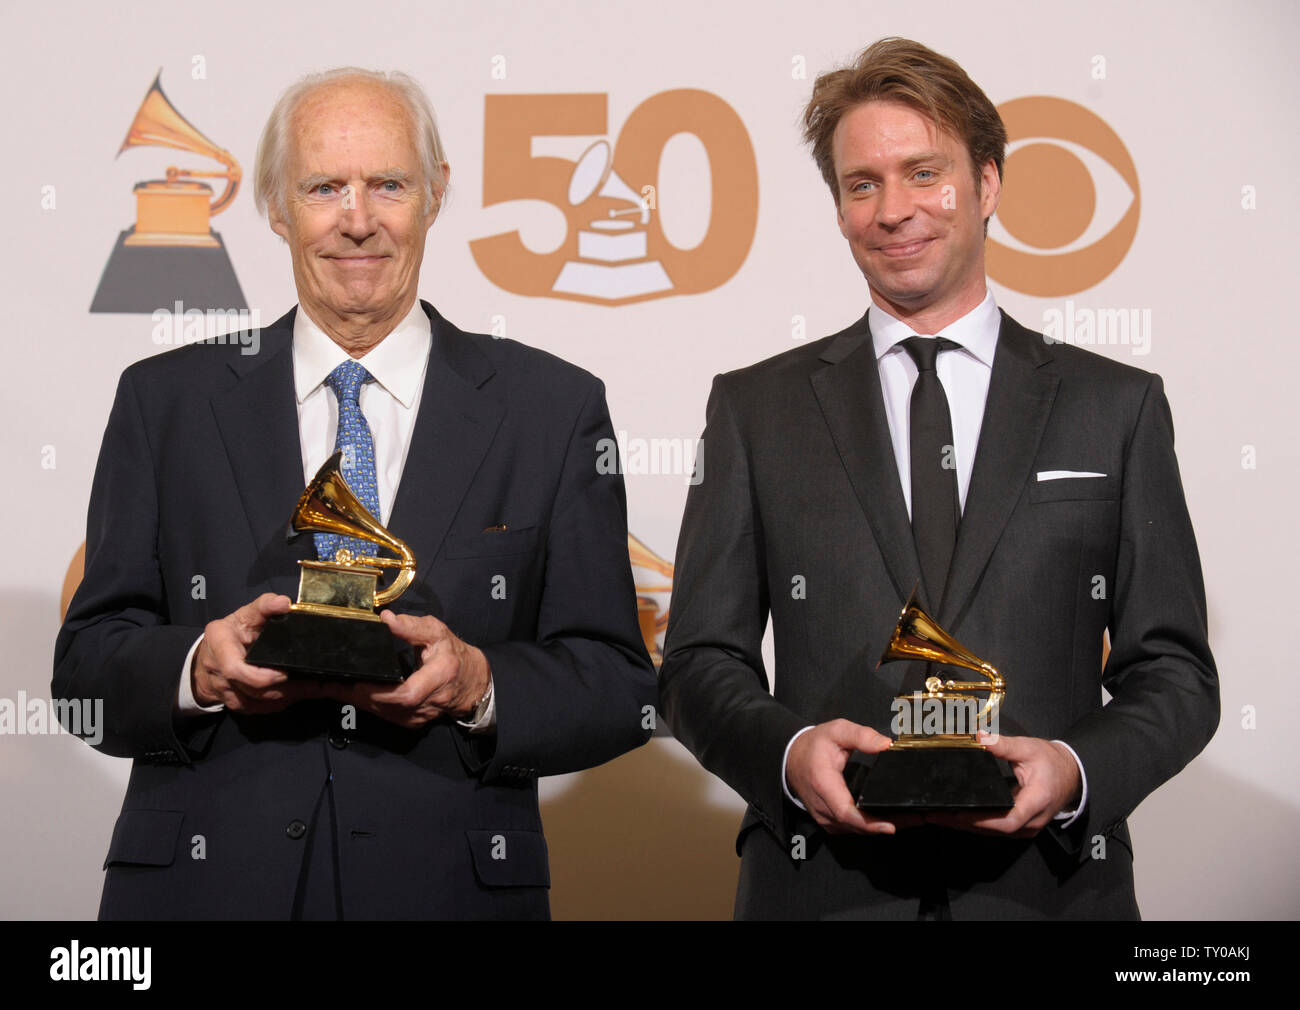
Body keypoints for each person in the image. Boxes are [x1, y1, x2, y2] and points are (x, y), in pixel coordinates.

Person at [53, 68, 656, 920]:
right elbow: (85, 672)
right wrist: (198, 668)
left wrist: (480, 681)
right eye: (324, 187)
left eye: (389, 185)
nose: (358, 219)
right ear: (274, 205)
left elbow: (619, 687)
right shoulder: (164, 402)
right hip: (202, 890)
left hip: (449, 892)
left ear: (436, 195)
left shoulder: (552, 409)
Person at [659, 37, 1218, 919]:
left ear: (988, 184)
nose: (893, 210)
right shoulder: (753, 410)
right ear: (840, 207)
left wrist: (1075, 770)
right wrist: (791, 751)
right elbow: (697, 662)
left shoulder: (1117, 407)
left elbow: (1177, 674)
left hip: (1053, 892)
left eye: (924, 173)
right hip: (820, 890)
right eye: (862, 183)